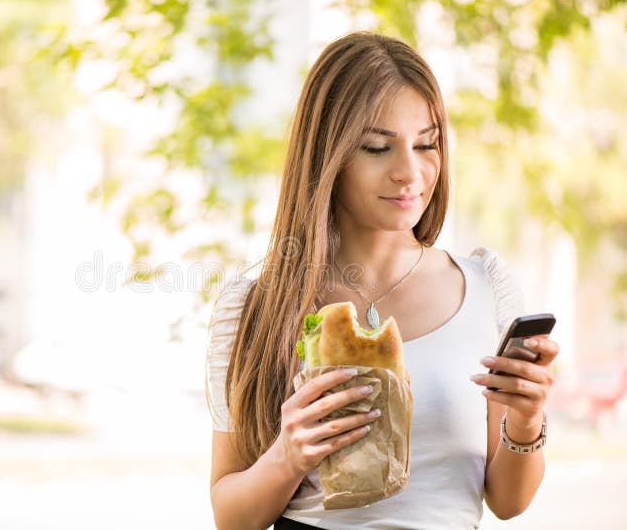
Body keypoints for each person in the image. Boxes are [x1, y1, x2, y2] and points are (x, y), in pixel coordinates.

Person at [205, 31, 559, 530]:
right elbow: (231, 516)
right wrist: (288, 455)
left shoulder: (485, 287)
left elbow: (507, 501)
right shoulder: (255, 305)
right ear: (327, 157)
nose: (409, 173)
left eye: (427, 144)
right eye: (377, 147)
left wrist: (525, 420)